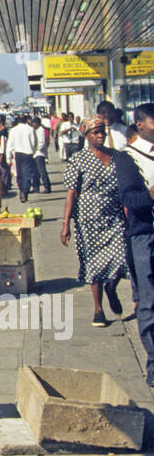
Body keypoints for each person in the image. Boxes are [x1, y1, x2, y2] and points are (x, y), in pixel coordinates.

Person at [61, 116, 131, 327]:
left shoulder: (117, 157)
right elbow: (72, 193)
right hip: (88, 221)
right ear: (86, 135)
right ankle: (98, 309)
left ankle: (112, 287)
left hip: (115, 217)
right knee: (94, 265)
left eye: (102, 131)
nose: (100, 135)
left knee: (122, 259)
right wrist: (66, 224)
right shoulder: (78, 159)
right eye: (95, 132)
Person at [115, 104, 154, 387]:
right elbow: (130, 200)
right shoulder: (127, 158)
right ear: (139, 125)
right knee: (149, 302)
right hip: (145, 236)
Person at [6, 114, 39, 202]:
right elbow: (34, 142)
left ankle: (22, 190)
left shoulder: (13, 130)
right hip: (28, 154)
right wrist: (33, 151)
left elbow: (9, 144)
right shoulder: (30, 129)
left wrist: (8, 157)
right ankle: (25, 191)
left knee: (20, 173)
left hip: (18, 154)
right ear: (26, 120)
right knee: (27, 173)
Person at [32, 115, 52, 194]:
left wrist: (36, 149)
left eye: (34, 123)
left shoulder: (41, 130)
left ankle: (47, 186)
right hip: (36, 153)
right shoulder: (37, 130)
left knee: (42, 171)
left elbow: (42, 142)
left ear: (37, 123)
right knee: (35, 172)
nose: (33, 125)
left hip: (39, 153)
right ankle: (35, 187)